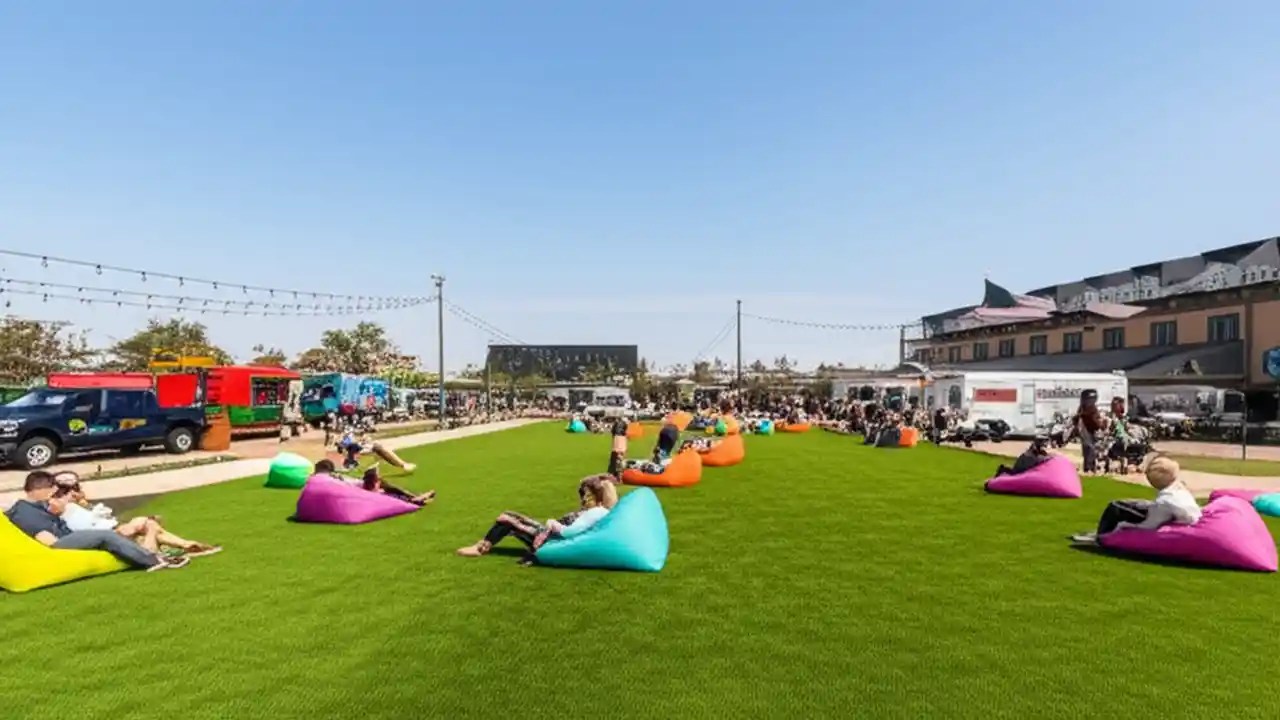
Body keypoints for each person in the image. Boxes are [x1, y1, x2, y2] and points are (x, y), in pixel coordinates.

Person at [4, 472, 187, 571]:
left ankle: (159, 553)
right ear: (42, 489)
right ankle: (155, 561)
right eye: (52, 490)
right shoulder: (25, 511)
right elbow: (49, 542)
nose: (54, 494)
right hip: (58, 544)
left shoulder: (39, 508)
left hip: (65, 538)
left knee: (115, 535)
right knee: (105, 535)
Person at [456, 475, 618, 565]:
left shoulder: (595, 512)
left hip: (550, 539)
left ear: (597, 497)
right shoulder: (603, 511)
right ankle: (484, 543)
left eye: (589, 494)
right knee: (513, 517)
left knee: (508, 519)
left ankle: (481, 548)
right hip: (551, 535)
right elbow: (582, 487)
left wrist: (553, 524)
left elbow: (569, 532)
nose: (585, 498)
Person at [51, 472, 221, 558]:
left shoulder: (79, 507)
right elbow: (96, 523)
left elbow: (100, 515)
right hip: (110, 533)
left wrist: (84, 502)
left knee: (149, 529)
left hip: (113, 529)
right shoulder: (65, 510)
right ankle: (168, 551)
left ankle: (186, 546)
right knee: (148, 524)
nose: (74, 492)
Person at [1070, 456, 1201, 546]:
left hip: (1166, 516)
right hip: (1176, 514)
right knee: (1132, 504)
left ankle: (1101, 536)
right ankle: (1101, 531)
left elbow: (1150, 525)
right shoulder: (1180, 489)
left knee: (1115, 507)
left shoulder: (1165, 501)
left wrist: (1125, 526)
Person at [359, 466, 436, 506]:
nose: (379, 476)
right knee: (397, 495)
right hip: (387, 497)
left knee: (394, 491)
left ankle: (417, 498)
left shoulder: (369, 484)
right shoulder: (374, 486)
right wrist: (381, 490)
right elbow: (374, 493)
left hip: (387, 494)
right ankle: (417, 499)